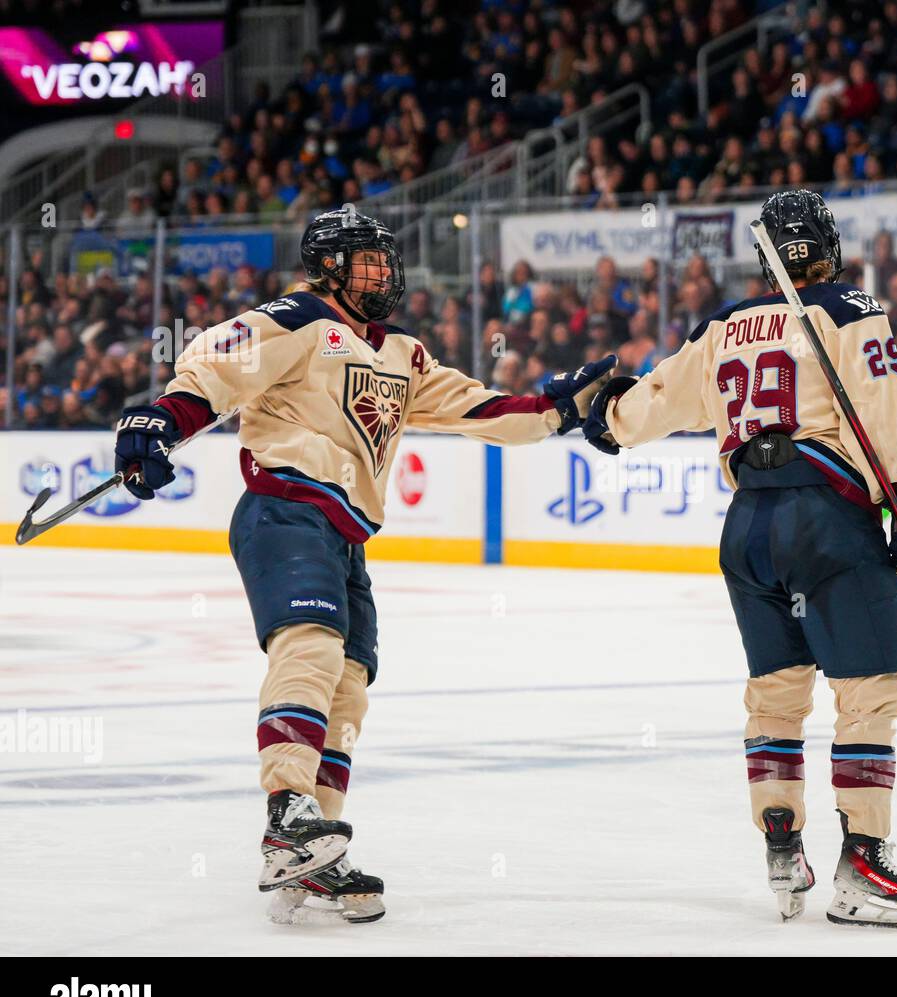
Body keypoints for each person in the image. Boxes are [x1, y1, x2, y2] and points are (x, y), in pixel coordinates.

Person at [113, 205, 613, 924]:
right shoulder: (297, 318)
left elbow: (477, 407)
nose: (384, 271)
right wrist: (164, 417)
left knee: (347, 691)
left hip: (346, 534)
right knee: (310, 650)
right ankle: (287, 812)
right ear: (328, 266)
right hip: (285, 509)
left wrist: (555, 409)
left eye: (386, 259)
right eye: (366, 259)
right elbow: (217, 361)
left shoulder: (401, 354)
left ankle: (316, 850)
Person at [582, 190, 897, 928]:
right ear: (827, 246)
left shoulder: (724, 324)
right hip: (826, 519)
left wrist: (609, 419)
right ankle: (864, 865)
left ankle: (782, 841)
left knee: (776, 691)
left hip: (748, 524)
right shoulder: (850, 307)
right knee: (868, 690)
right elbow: (884, 418)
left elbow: (654, 400)